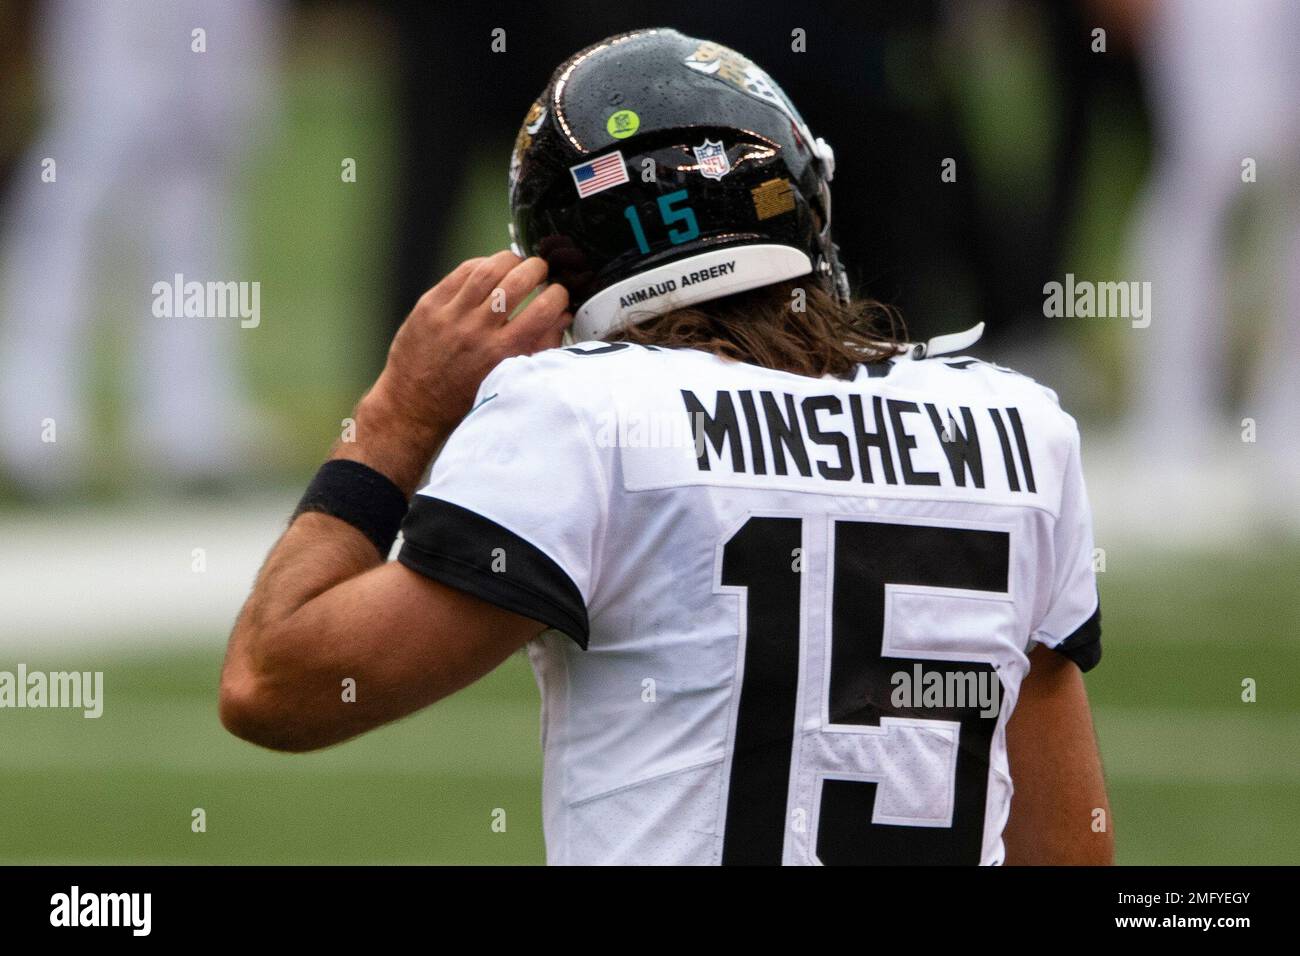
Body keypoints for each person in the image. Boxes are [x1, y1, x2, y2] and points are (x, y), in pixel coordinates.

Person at [220, 29, 1111, 866]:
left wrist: (397, 418)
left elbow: (275, 682)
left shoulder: (587, 417)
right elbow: (1068, 850)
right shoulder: (1015, 429)